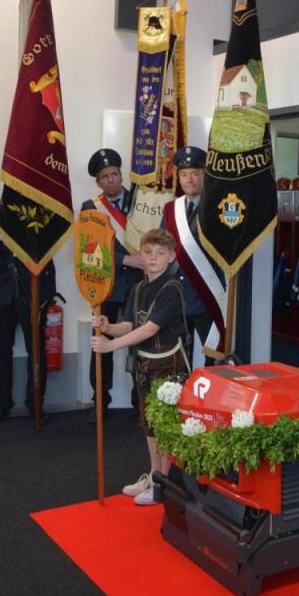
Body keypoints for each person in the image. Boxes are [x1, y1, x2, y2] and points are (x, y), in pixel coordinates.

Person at [91, 229, 189, 506]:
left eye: (160, 253)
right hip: (144, 362)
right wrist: (109, 327)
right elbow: (130, 325)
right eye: (148, 252)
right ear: (140, 255)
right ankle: (154, 474)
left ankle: (163, 484)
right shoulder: (138, 288)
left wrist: (111, 346)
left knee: (165, 426)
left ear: (171, 257)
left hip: (168, 364)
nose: (154, 258)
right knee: (149, 425)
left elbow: (150, 328)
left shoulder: (172, 288)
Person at [0, 199, 57, 424]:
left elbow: (50, 247)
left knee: (36, 350)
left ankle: (36, 404)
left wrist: (46, 291)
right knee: (1, 350)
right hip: (1, 290)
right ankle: (2, 404)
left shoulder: (42, 207)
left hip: (33, 288)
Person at [81, 148, 143, 422]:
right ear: (98, 182)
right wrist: (124, 259)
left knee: (139, 344)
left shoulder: (140, 200)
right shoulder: (90, 207)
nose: (111, 179)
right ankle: (100, 401)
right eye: (105, 176)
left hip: (139, 284)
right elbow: (89, 247)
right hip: (106, 284)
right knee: (101, 343)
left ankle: (140, 400)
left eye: (115, 174)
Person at [162, 146, 225, 365]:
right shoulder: (171, 209)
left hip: (207, 294)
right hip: (178, 296)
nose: (189, 180)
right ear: (179, 178)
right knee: (178, 359)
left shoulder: (219, 207)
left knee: (214, 357)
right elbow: (163, 247)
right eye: (184, 174)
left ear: (205, 176)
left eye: (195, 173)